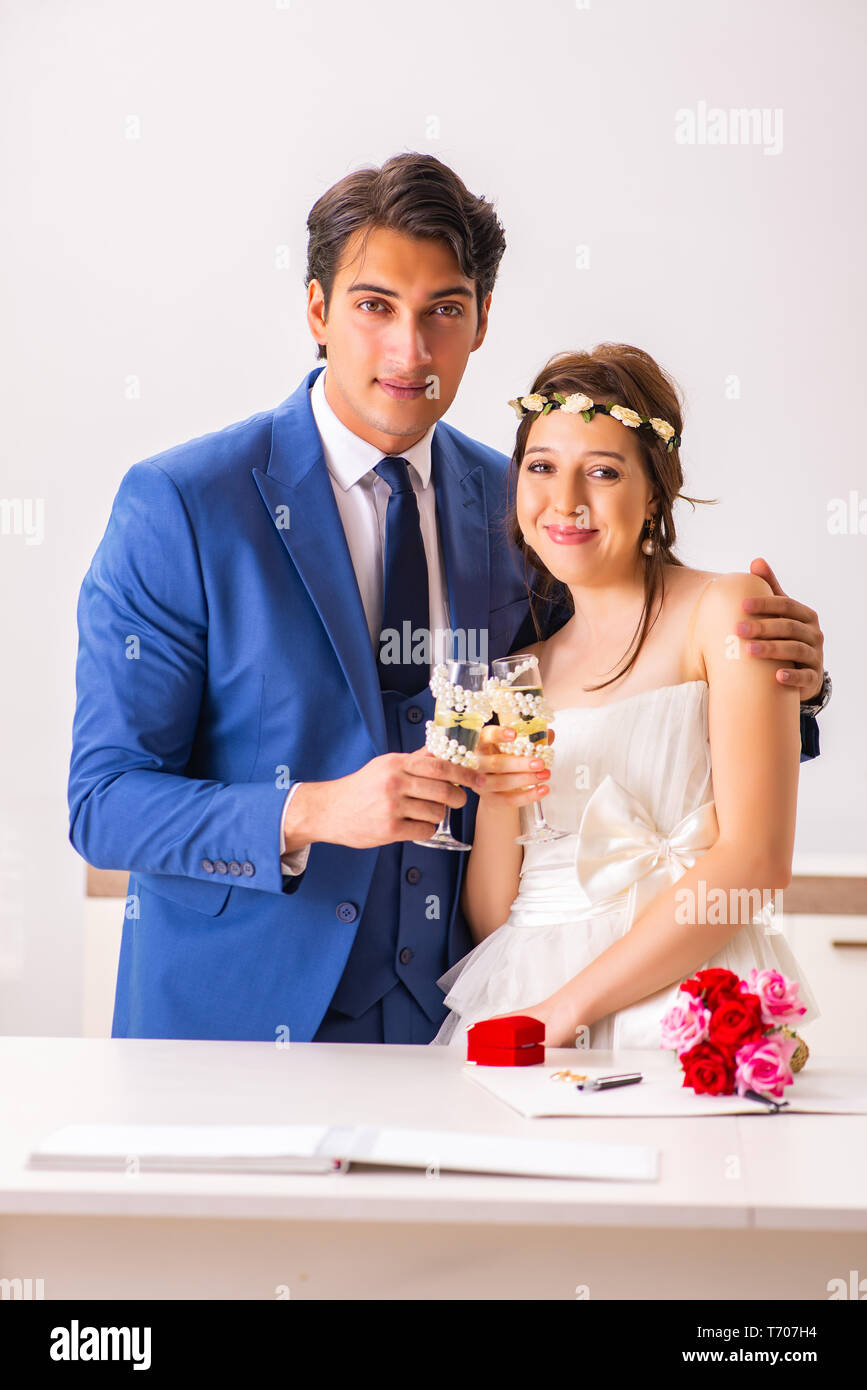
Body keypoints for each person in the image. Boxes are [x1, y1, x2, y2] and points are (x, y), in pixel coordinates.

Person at [67, 153, 829, 1045]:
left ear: (481, 321)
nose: (410, 350)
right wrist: (305, 812)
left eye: (444, 311)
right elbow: (105, 803)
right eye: (373, 305)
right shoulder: (184, 504)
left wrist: (786, 676)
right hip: (233, 1028)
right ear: (316, 310)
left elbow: (623, 673)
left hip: (462, 1019)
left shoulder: (528, 505)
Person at [431, 345, 822, 1049]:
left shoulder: (726, 607)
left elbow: (757, 859)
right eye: (541, 467)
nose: (565, 501)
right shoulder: (507, 674)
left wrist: (565, 1013)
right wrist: (497, 793)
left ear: (653, 495)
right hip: (523, 990)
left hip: (677, 989)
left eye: (603, 472)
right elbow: (494, 917)